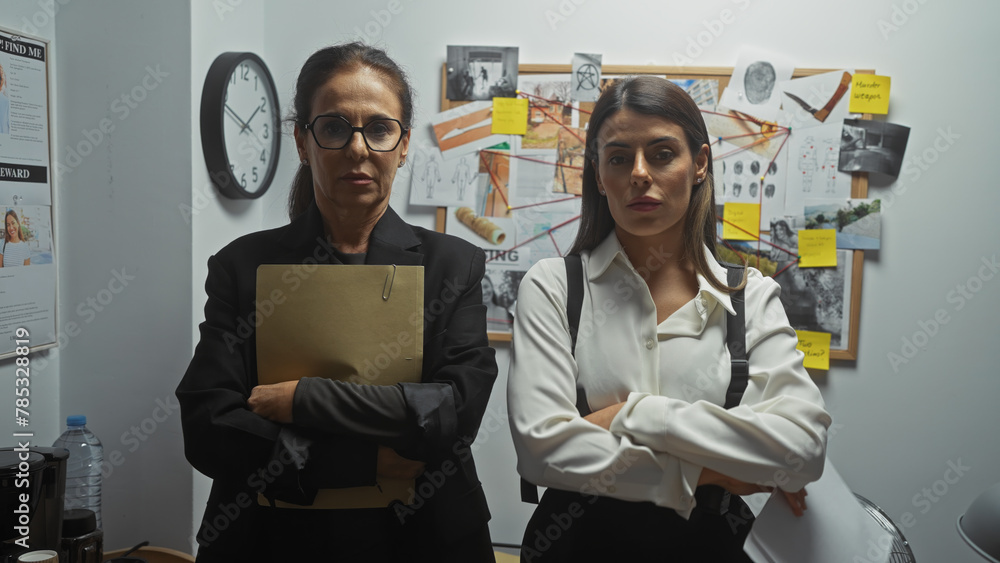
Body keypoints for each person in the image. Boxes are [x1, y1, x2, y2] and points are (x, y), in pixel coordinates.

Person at [176, 43, 498, 562]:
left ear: (404, 143)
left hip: (422, 537)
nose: (358, 149)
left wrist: (302, 400)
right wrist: (366, 464)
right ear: (303, 142)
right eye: (333, 127)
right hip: (272, 537)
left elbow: (452, 411)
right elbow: (210, 423)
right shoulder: (244, 266)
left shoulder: (451, 265)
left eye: (378, 128)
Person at [507, 76, 831, 561]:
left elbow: (802, 450)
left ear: (699, 164)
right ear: (598, 175)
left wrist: (632, 415)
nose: (639, 174)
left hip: (714, 546)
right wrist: (711, 472)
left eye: (661, 154)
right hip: (576, 543)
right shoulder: (553, 286)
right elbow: (542, 450)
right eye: (618, 158)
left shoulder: (749, 296)